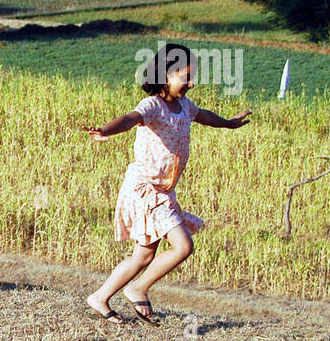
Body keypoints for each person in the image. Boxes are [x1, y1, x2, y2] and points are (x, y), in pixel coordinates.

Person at [83, 45, 251, 324]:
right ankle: (137, 288)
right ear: (165, 74)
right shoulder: (153, 106)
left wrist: (229, 124)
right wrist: (106, 130)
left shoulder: (185, 106)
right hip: (145, 189)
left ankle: (99, 297)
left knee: (143, 257)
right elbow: (129, 119)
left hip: (163, 190)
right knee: (183, 246)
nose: (192, 83)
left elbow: (204, 116)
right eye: (186, 76)